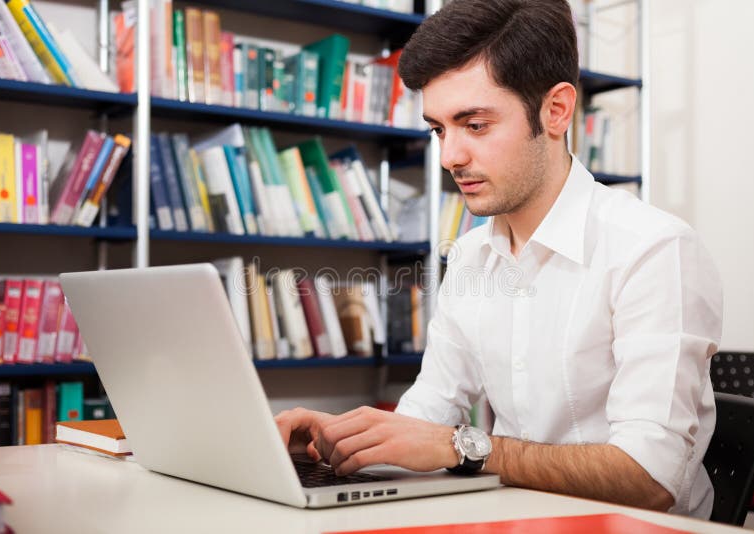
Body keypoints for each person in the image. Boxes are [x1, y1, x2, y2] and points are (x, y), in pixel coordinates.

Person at [276, 0, 722, 518]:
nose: (449, 157)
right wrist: (345, 436)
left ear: (555, 111)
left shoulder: (653, 249)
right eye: (439, 129)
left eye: (476, 125)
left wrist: (457, 447)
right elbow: (427, 413)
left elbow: (650, 479)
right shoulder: (469, 256)